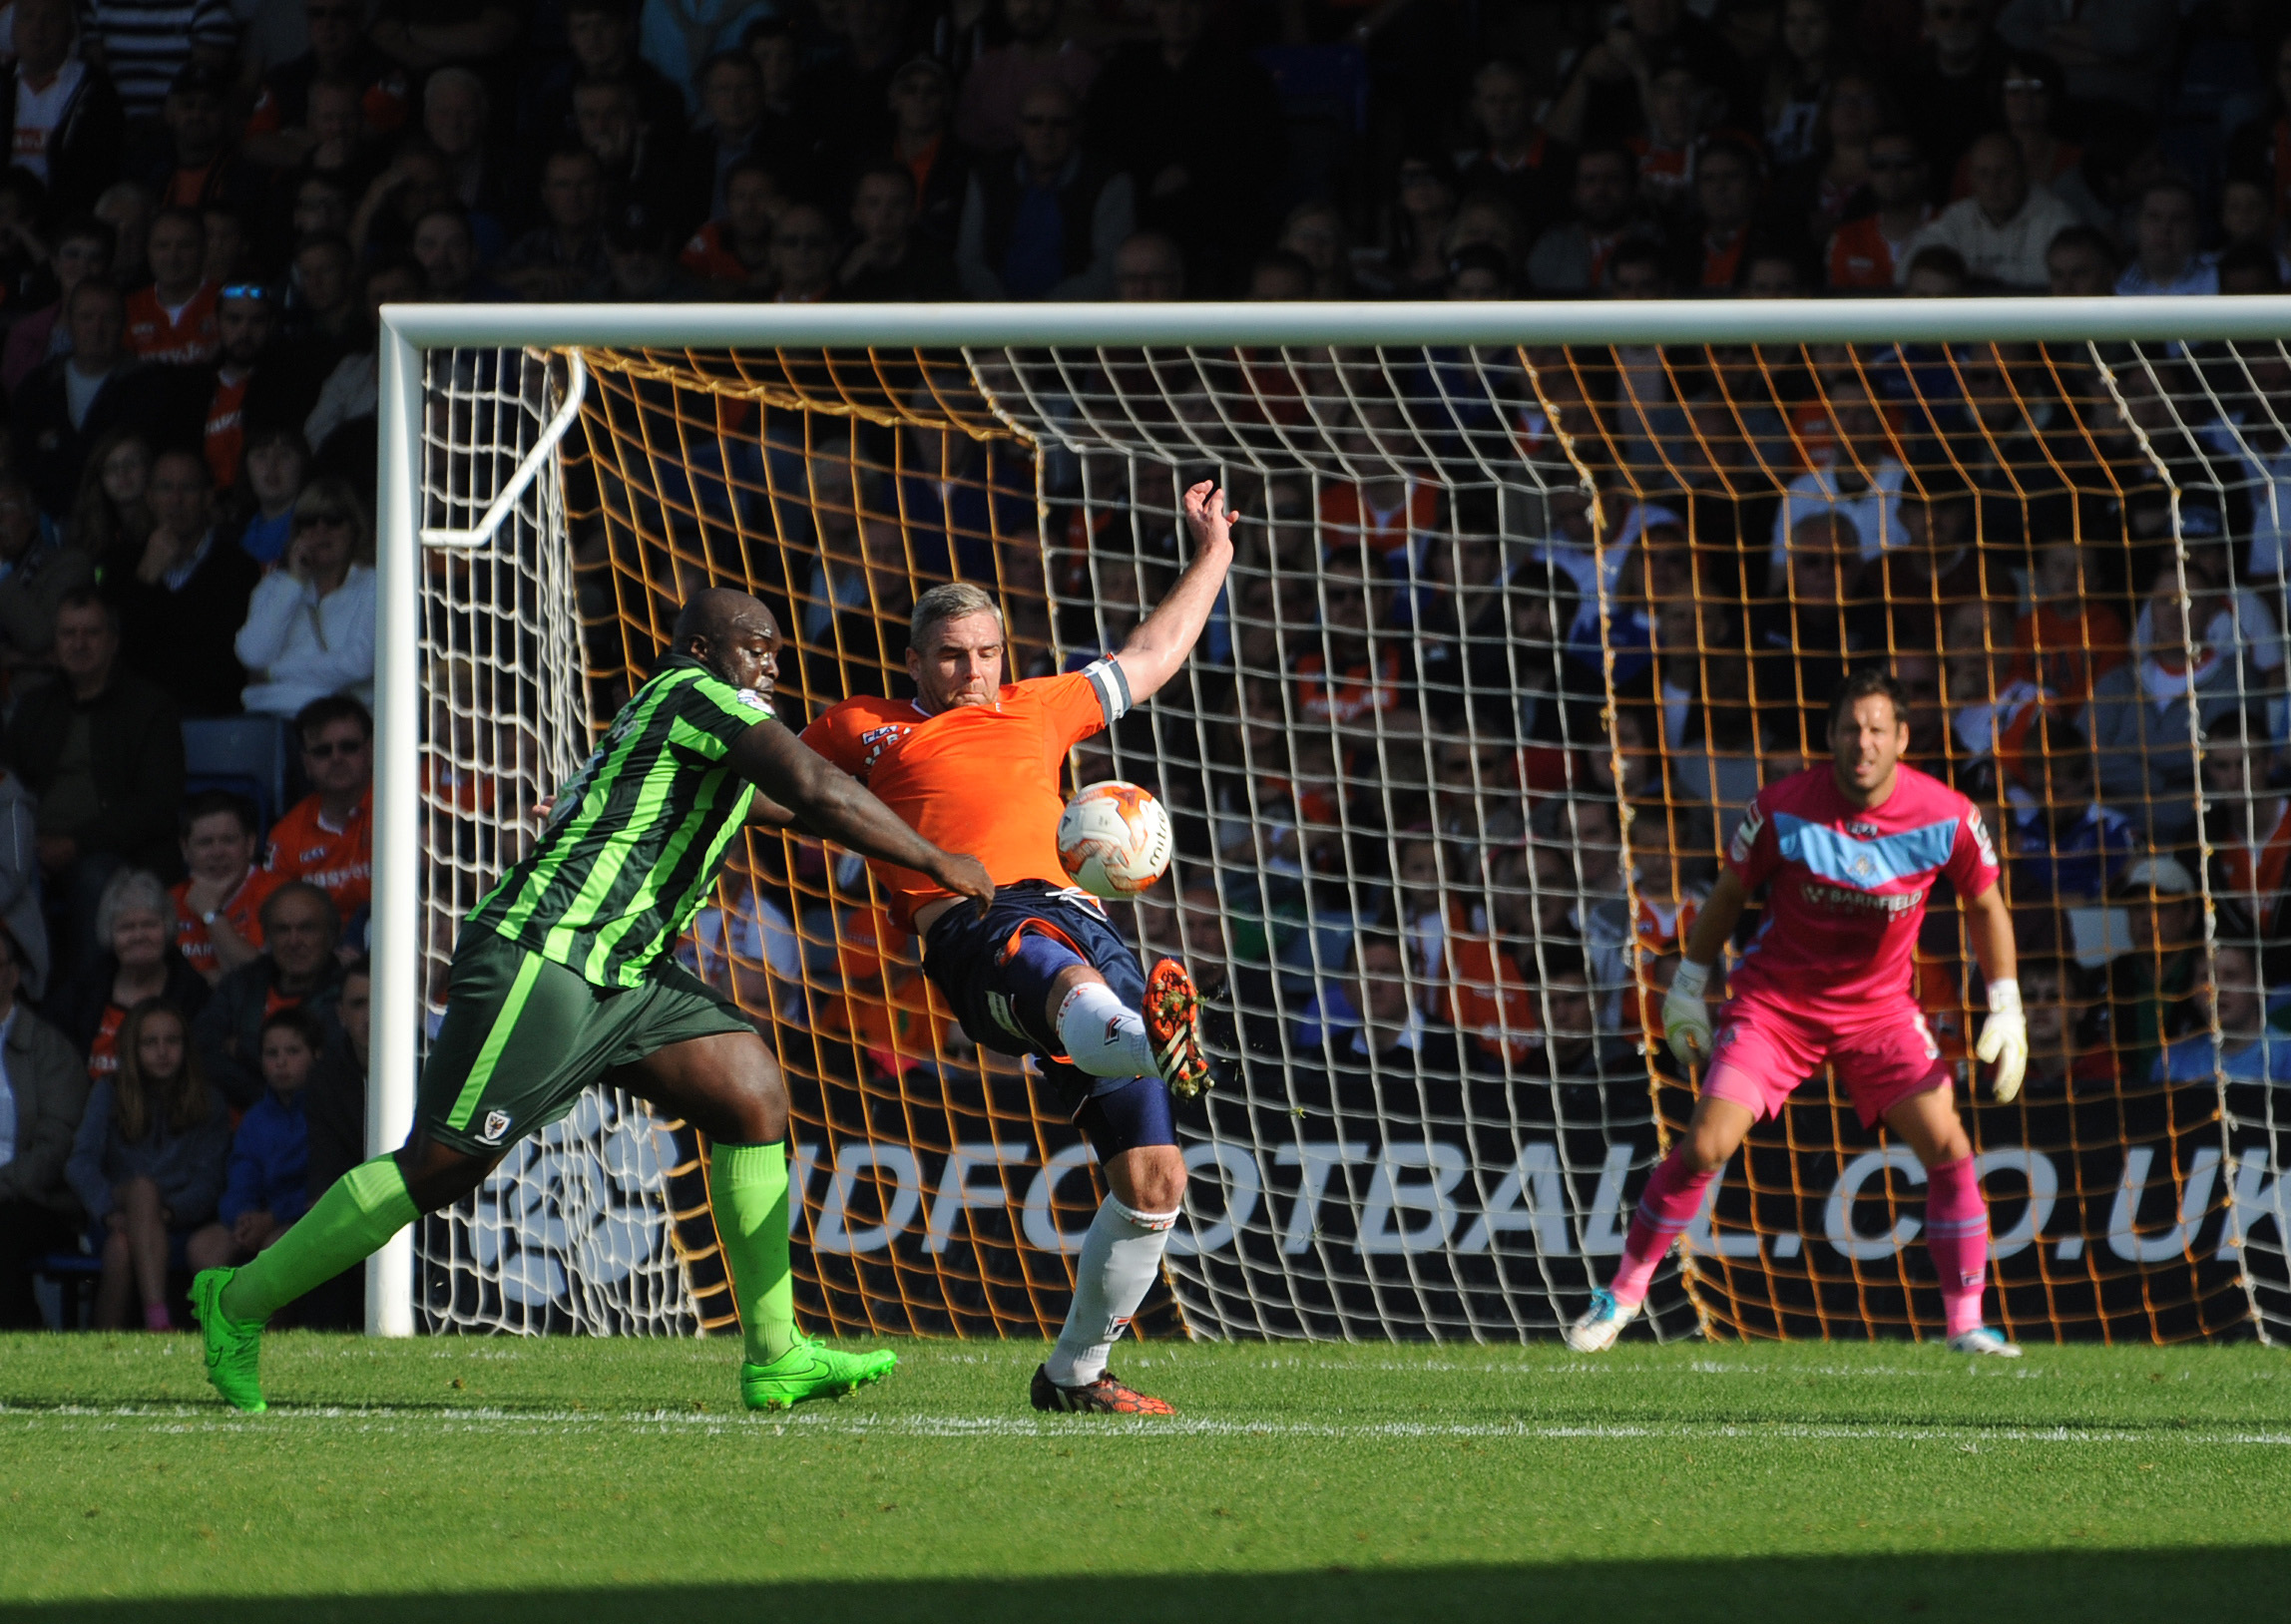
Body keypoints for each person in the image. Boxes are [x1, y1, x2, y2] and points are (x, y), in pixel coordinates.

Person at [191, 588, 996, 1416]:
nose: (771, 663)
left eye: (777, 651)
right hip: (548, 953)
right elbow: (815, 789)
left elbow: (791, 806)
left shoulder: (701, 729)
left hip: (630, 972)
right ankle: (240, 1301)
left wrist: (908, 779)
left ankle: (777, 1354)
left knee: (752, 1095)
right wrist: (940, 860)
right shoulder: (694, 697)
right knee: (444, 1164)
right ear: (698, 651)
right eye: (753, 646)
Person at [798, 482, 1233, 1416]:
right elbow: (760, 788)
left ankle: (1073, 1376)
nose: (973, 673)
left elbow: (1153, 655)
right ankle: (1148, 1037)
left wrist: (1214, 555)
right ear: (914, 659)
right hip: (970, 919)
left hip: (1087, 917)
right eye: (952, 658)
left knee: (1155, 1181)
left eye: (987, 654)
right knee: (1054, 964)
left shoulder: (1039, 706)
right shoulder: (860, 729)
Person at [1565, 669, 2029, 1357]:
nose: (1862, 743)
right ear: (1831, 737)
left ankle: (1965, 1324)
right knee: (1705, 1146)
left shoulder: (1948, 816)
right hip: (1775, 1006)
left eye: (1876, 729)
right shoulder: (1784, 808)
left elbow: (1986, 906)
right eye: (1850, 729)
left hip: (1880, 1012)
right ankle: (1622, 1295)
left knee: (1950, 1150)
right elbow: (1727, 894)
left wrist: (2007, 1005)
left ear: (1902, 738)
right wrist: (1689, 983)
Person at [8, 590, 185, 976]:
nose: (78, 643)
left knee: (97, 881)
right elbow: (8, 784)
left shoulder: (149, 707)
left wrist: (75, 844)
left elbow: (158, 804)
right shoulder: (34, 706)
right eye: (68, 633)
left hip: (109, 852)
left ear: (113, 641)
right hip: (31, 849)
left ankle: (90, 1008)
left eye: (91, 632)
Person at [67, 995, 229, 1330]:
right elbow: (81, 1163)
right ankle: (158, 1320)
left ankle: (105, 1352)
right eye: (150, 1042)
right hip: (116, 1211)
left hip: (180, 1221)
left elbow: (209, 1180)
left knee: (121, 1249)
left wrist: (166, 1214)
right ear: (132, 1048)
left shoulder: (209, 1101)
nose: (162, 1051)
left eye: (172, 1041)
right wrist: (108, 1213)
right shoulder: (108, 1092)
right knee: (141, 1189)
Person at [107, 446, 260, 716]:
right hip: (141, 720)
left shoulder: (238, 566)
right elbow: (116, 650)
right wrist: (145, 578)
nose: (176, 499)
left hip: (213, 718)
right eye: (165, 488)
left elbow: (220, 661)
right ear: (150, 498)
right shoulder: (122, 564)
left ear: (207, 497)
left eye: (187, 488)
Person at [0, 921, 91, 1327]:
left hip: (34, 1201)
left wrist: (4, 1183)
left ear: (13, 975)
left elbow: (56, 1143)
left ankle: (21, 1352)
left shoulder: (48, 1049)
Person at [187, 1006, 321, 1274]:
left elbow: (320, 1188)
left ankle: (278, 1319)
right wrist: (244, 1218)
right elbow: (241, 1178)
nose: (281, 1062)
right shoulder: (255, 1119)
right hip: (258, 1217)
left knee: (276, 1249)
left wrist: (274, 1218)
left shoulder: (326, 1113)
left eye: (293, 1052)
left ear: (317, 1055)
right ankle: (217, 1317)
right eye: (272, 1053)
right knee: (203, 1247)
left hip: (305, 1218)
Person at [191, 880, 344, 1109]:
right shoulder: (241, 983)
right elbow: (203, 1050)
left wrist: (243, 1048)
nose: (294, 941)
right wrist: (268, 1097)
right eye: (282, 930)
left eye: (307, 928)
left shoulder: (347, 992)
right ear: (267, 937)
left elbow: (330, 1066)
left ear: (331, 935)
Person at [51, 866, 210, 1087]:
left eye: (149, 924)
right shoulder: (81, 991)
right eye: (126, 927)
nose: (138, 936)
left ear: (168, 928)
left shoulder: (194, 993)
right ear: (109, 933)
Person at [233, 476, 376, 717]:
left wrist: (273, 673)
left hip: (341, 719)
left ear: (354, 528)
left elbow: (359, 664)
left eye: (333, 520)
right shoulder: (275, 586)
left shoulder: (374, 583)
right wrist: (294, 582)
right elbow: (253, 654)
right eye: (309, 522)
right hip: (268, 714)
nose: (321, 530)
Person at [265, 694, 373, 931]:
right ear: (306, 763)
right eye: (323, 751)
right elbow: (281, 918)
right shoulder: (286, 836)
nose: (336, 758)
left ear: (371, 750)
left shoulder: (402, 810)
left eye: (349, 747)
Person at [170, 791, 280, 985]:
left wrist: (211, 914)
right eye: (205, 843)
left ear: (250, 844)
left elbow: (258, 981)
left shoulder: (279, 896)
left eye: (228, 840)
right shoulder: (168, 902)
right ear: (185, 849)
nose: (217, 852)